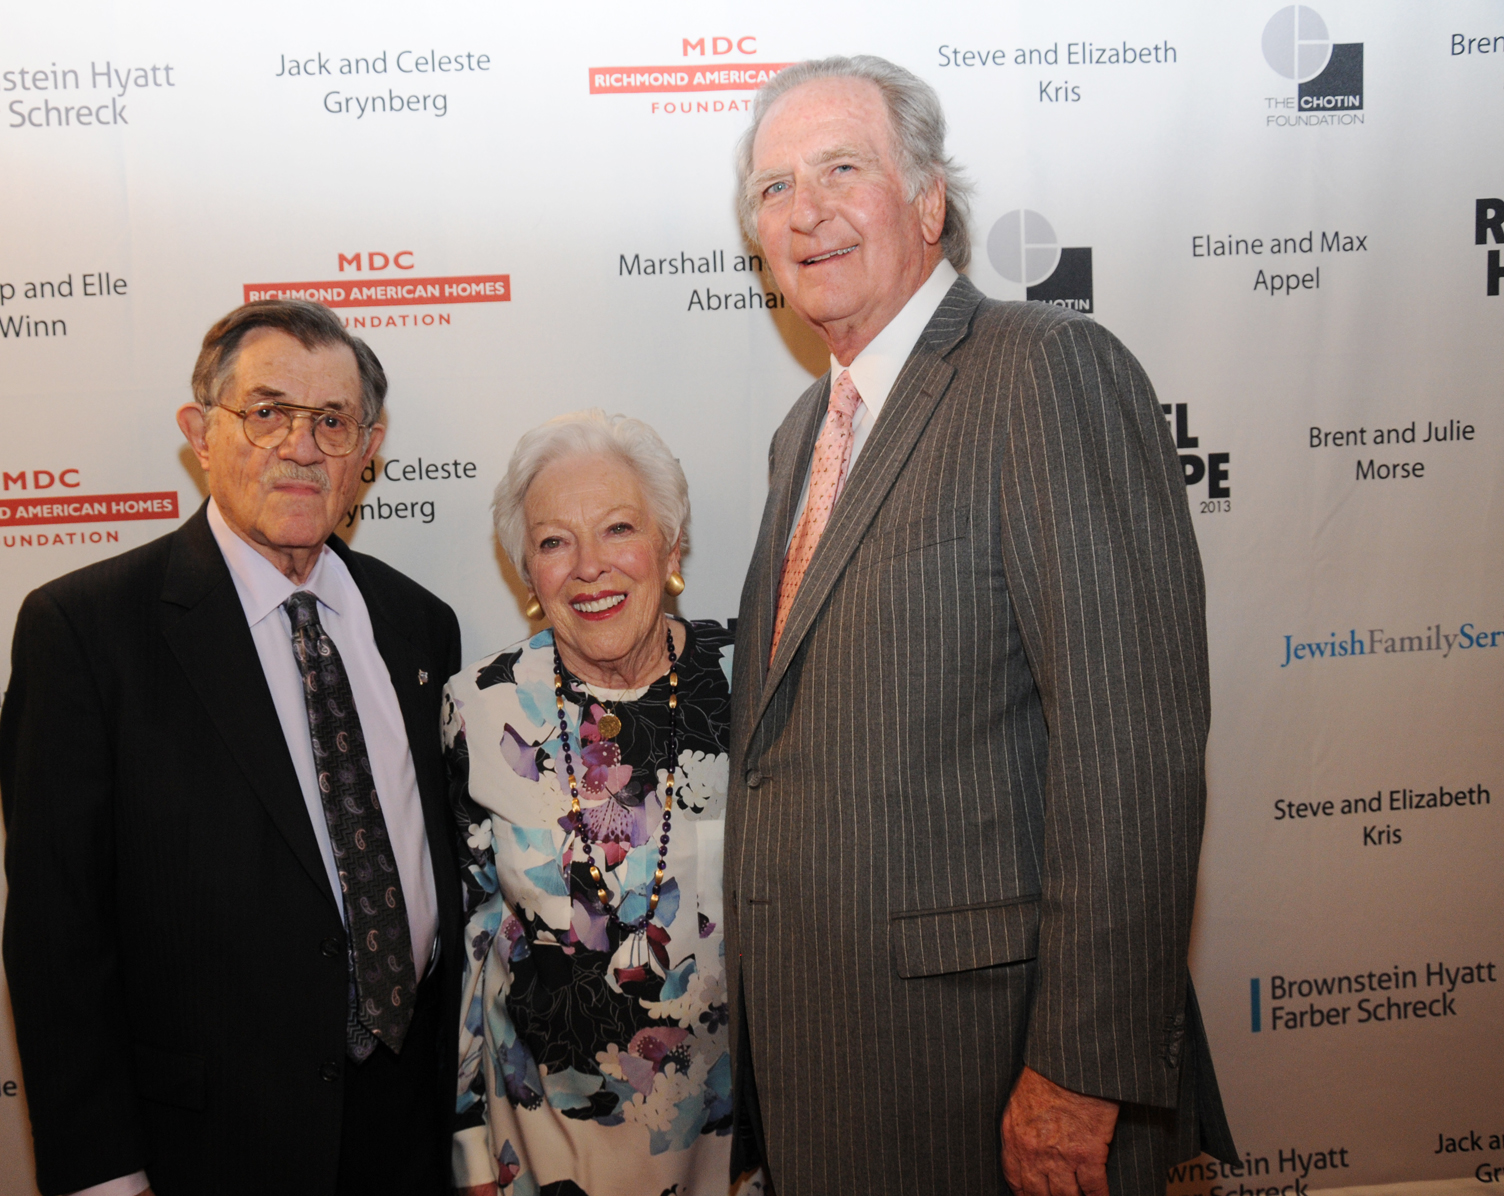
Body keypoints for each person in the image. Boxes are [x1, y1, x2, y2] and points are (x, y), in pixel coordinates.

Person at [723, 56, 1238, 1196]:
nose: (801, 210)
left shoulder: (1047, 371)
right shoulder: (804, 432)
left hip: (998, 1074)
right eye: (771, 188)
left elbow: (1132, 752)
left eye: (839, 169)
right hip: (833, 1071)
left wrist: (1080, 1072)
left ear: (927, 199)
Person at [0, 299, 462, 1196]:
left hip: (408, 1135)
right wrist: (103, 1177)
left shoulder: (417, 627)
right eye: (266, 412)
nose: (300, 445)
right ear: (199, 434)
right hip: (210, 1150)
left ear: (368, 449)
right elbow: (59, 945)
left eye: (332, 421)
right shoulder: (88, 634)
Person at [445, 411, 753, 1196]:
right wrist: (470, 1148)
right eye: (554, 542)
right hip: (546, 1145)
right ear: (527, 573)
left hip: (740, 1134)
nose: (589, 567)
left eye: (619, 528)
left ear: (670, 547)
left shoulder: (754, 680)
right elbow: (470, 937)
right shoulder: (481, 707)